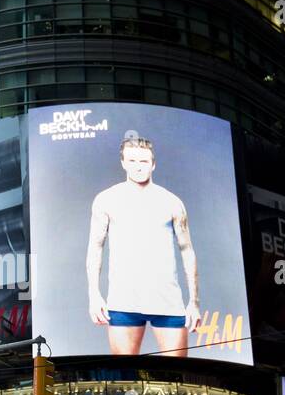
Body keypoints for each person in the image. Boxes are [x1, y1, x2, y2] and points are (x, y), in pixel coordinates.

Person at [85, 131, 200, 357]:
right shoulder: (106, 199)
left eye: (144, 161)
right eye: (132, 161)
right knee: (125, 378)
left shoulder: (172, 203)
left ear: (153, 165)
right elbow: (95, 248)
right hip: (123, 301)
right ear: (123, 163)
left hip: (167, 301)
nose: (138, 167)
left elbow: (188, 252)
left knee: (176, 379)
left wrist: (194, 302)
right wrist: (94, 294)